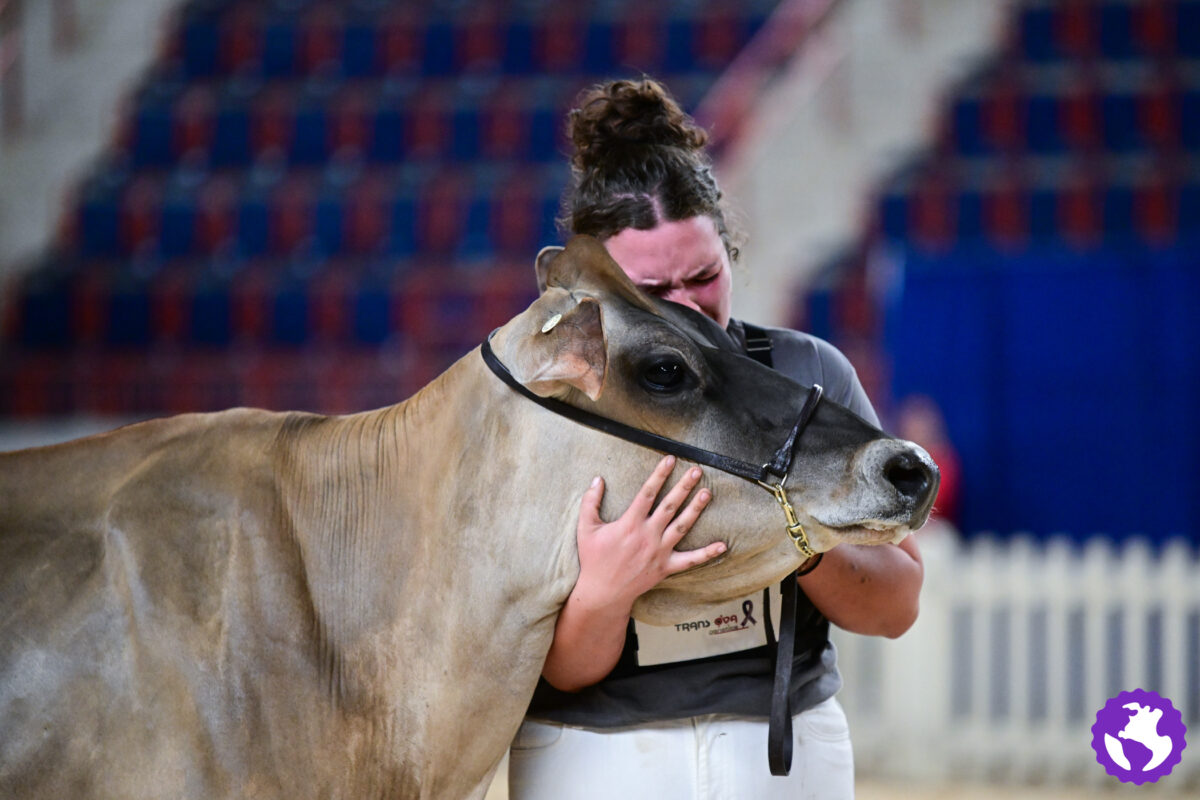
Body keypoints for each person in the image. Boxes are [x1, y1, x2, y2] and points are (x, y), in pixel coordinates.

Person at [507, 78, 923, 799]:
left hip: (784, 747)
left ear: (732, 251)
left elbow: (896, 608)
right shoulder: (549, 404)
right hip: (593, 753)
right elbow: (558, 670)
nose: (686, 306)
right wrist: (608, 589)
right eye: (651, 290)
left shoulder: (808, 373)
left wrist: (792, 529)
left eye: (704, 274)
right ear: (596, 290)